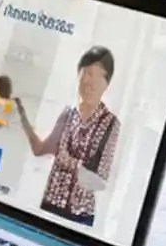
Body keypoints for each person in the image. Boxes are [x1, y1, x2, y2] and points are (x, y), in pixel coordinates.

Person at [14, 46, 121, 227]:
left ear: (106, 83)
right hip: (49, 208)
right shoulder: (67, 114)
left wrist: (67, 162)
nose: (87, 81)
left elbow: (100, 181)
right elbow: (39, 150)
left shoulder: (111, 124)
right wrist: (22, 117)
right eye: (84, 73)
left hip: (80, 217)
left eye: (94, 75)